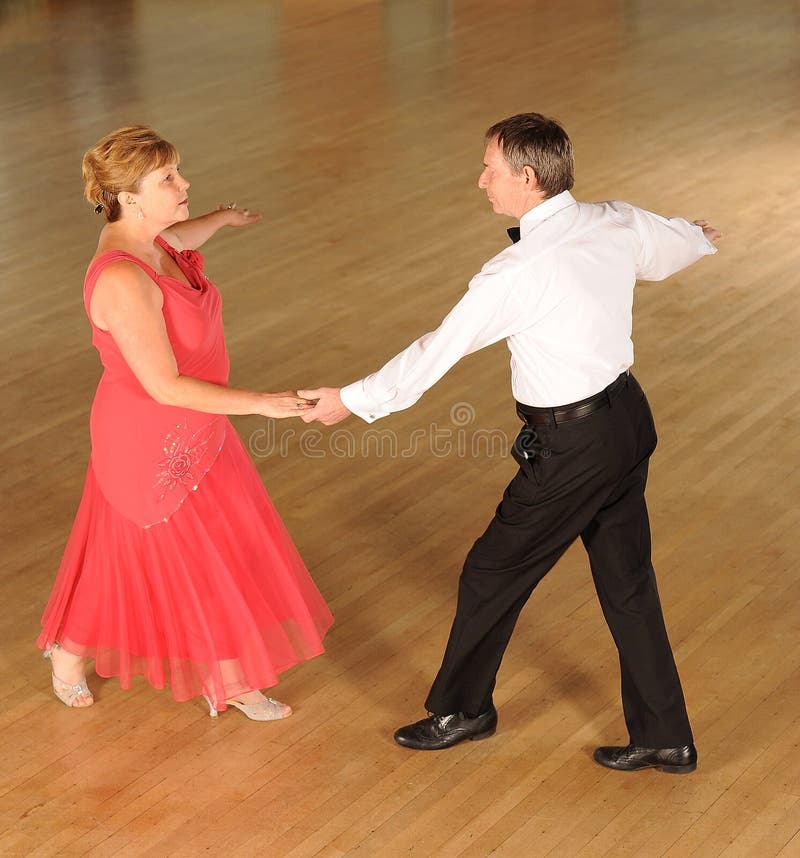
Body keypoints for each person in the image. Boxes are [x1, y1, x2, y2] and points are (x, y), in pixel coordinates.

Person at [298, 113, 721, 772]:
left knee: (491, 573)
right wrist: (693, 235)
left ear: (527, 178)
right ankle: (665, 736)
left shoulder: (517, 270)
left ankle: (464, 709)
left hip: (575, 449)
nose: (481, 181)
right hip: (626, 423)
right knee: (628, 584)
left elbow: (437, 350)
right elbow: (667, 246)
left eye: (489, 169)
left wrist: (351, 400)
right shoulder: (613, 220)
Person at [38, 125, 333, 721]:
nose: (184, 183)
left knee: (157, 553)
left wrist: (222, 218)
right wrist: (262, 402)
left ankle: (71, 650)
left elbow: (180, 236)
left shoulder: (153, 239)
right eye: (168, 179)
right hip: (151, 438)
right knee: (195, 558)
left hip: (198, 426)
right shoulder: (123, 279)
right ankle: (229, 679)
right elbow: (164, 386)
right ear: (129, 198)